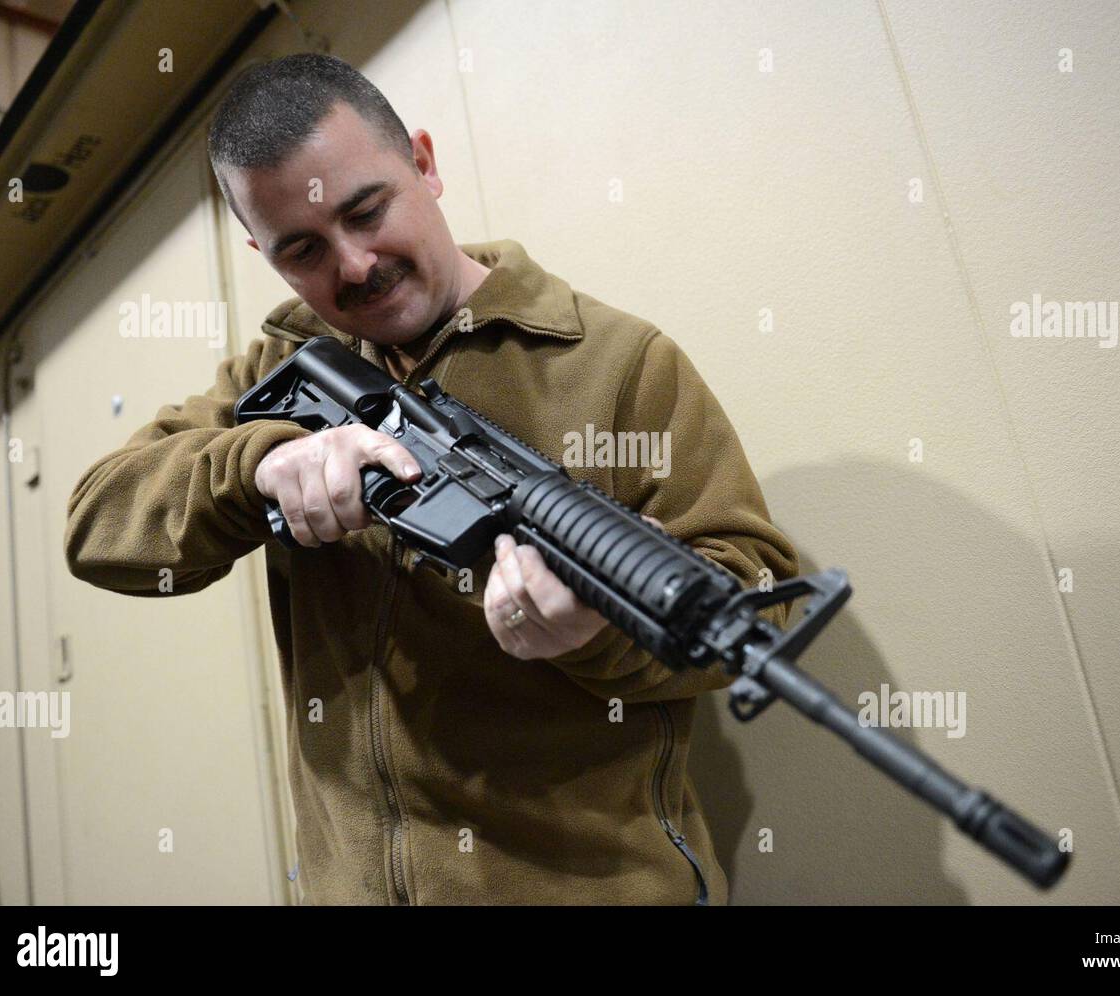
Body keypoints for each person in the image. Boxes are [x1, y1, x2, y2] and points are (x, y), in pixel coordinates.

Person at [65, 52, 798, 905]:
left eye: (367, 210)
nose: (353, 266)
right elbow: (96, 523)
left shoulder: (617, 362)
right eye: (302, 249)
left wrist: (598, 631)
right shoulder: (287, 364)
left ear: (424, 161)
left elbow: (761, 597)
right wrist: (257, 468)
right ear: (261, 251)